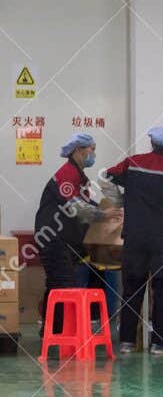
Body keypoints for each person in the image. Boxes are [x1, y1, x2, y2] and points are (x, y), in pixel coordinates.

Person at [105, 124, 163, 355]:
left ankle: (127, 342)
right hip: (162, 240)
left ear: (153, 142)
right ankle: (160, 343)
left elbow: (107, 178)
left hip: (134, 237)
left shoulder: (132, 162)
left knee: (132, 289)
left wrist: (119, 202)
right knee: (162, 289)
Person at [34, 132, 112, 335]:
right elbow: (77, 207)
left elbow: (85, 202)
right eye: (91, 149)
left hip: (62, 241)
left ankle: (52, 332)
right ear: (78, 150)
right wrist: (104, 214)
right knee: (64, 287)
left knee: (56, 286)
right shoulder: (67, 173)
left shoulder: (78, 175)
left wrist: (105, 211)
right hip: (54, 239)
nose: (94, 154)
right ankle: (61, 334)